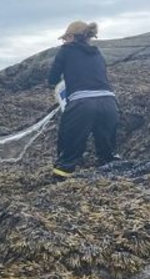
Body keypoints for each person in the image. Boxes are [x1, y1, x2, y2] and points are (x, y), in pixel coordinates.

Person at [47, 20, 119, 178]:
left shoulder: (66, 51)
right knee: (107, 155)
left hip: (82, 105)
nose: (64, 41)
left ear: (72, 37)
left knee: (68, 155)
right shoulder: (97, 52)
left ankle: (59, 185)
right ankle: (108, 186)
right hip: (109, 103)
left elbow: (52, 78)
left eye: (65, 38)